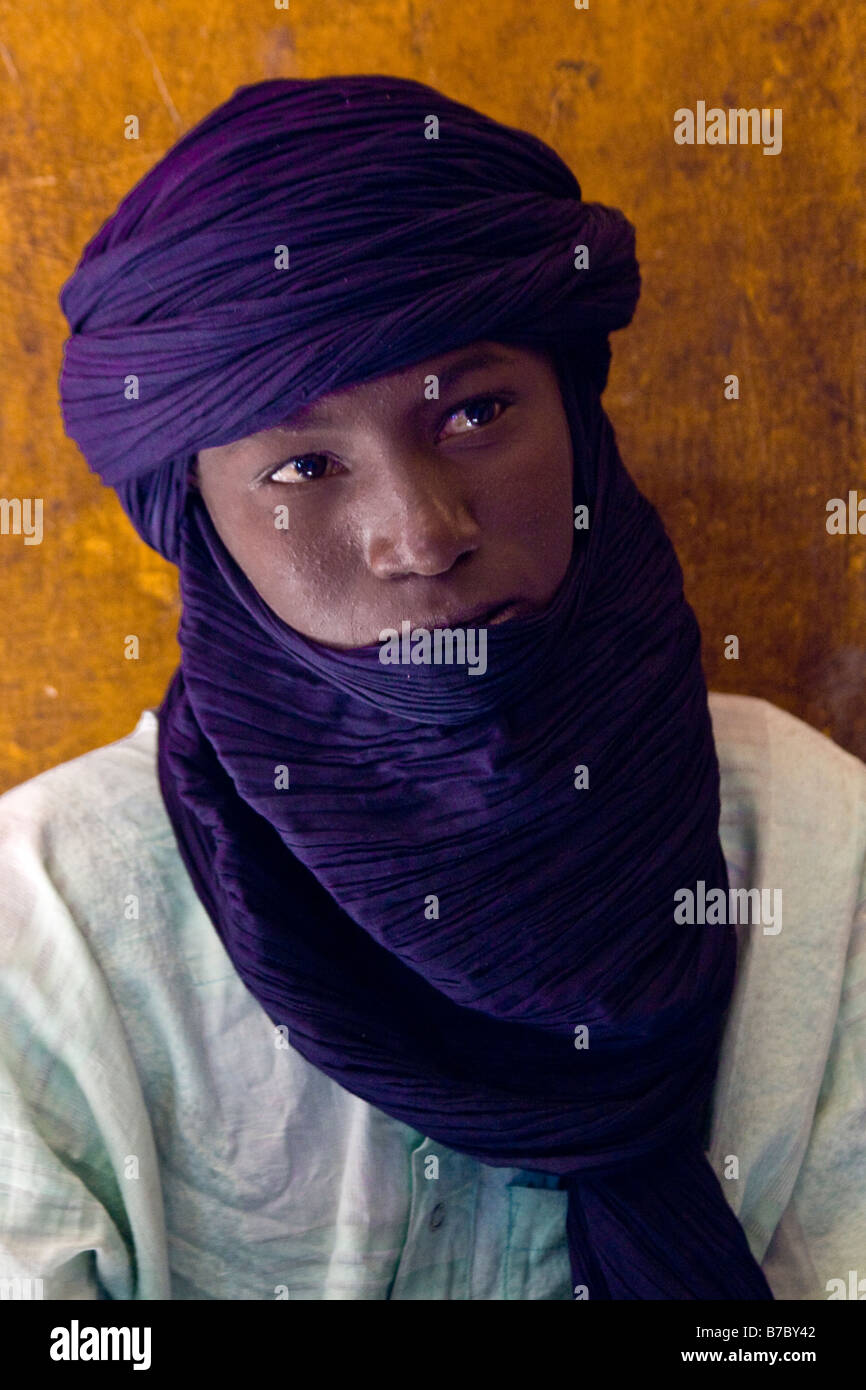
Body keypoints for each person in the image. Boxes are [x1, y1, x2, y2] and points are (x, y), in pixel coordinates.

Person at [0, 74, 864, 1302]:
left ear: (574, 412)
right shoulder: (55, 929)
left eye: (474, 412)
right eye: (302, 463)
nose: (420, 532)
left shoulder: (809, 851)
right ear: (196, 521)